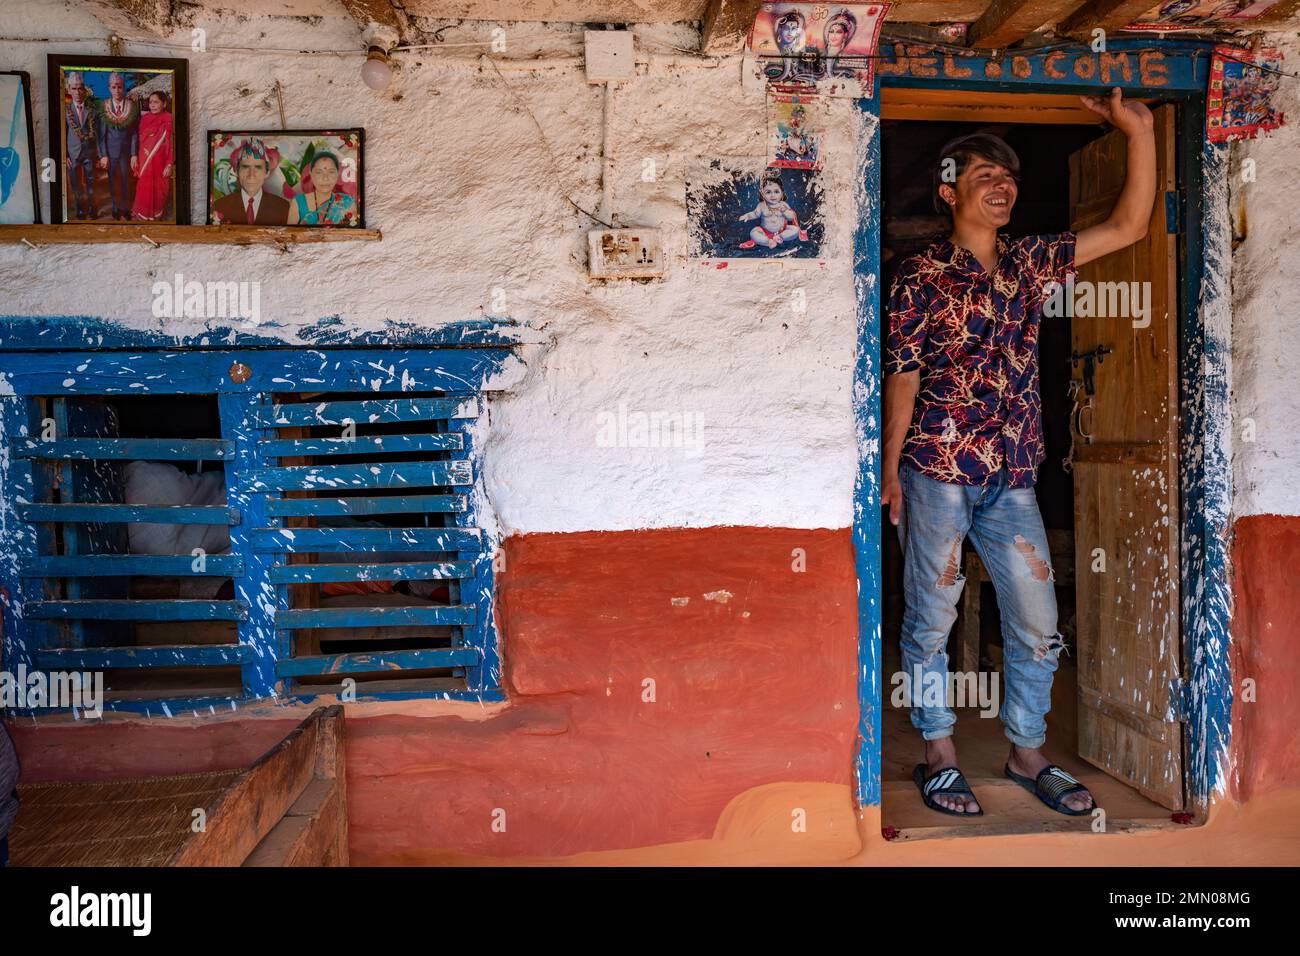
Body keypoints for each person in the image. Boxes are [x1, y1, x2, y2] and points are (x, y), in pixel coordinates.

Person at [883, 87, 1156, 817]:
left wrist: (1140, 130)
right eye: (983, 178)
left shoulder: (1033, 262)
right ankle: (939, 752)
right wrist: (890, 469)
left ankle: (1026, 751)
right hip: (937, 468)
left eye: (1008, 180)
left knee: (1037, 622)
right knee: (931, 616)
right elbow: (903, 372)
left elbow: (1131, 225)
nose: (1002, 188)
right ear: (949, 191)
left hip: (1013, 476)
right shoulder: (920, 274)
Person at [211, 136, 290, 225]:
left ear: (267, 172)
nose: (251, 175)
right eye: (245, 167)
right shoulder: (219, 206)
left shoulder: (283, 208)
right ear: (236, 171)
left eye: (258, 167)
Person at [96, 72, 138, 221]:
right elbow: (101, 135)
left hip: (126, 153)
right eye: (114, 87)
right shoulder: (104, 107)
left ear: (124, 88)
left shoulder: (131, 107)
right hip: (111, 152)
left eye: (120, 87)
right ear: (109, 88)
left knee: (126, 181)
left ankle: (126, 208)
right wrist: (103, 155)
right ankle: (115, 206)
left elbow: (134, 133)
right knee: (113, 181)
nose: (117, 90)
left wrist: (134, 154)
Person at [130, 90, 173, 221]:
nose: (152, 105)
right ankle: (143, 214)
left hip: (160, 161)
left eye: (156, 102)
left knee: (159, 189)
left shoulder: (168, 119)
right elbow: (140, 140)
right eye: (150, 102)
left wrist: (169, 164)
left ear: (164, 104)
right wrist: (135, 156)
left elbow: (171, 144)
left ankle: (156, 214)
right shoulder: (145, 119)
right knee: (144, 187)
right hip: (145, 160)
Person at [738, 172, 807, 249]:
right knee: (753, 233)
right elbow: (755, 214)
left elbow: (791, 217)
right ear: (763, 194)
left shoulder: (783, 205)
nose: (773, 195)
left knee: (795, 230)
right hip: (765, 232)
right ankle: (768, 242)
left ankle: (779, 237)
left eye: (776, 192)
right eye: (768, 192)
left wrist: (785, 212)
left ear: (782, 193)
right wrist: (748, 216)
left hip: (781, 231)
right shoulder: (761, 205)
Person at [287, 151, 358, 225]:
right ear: (311, 175)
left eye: (331, 172)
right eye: (319, 172)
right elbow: (289, 234)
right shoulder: (298, 202)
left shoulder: (347, 202)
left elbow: (352, 233)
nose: (325, 178)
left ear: (337, 174)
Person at [62, 71, 97, 219]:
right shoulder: (65, 111)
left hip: (89, 153)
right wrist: (65, 154)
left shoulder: (92, 111)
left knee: (91, 182)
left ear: (84, 90)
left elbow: (98, 135)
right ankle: (79, 208)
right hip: (73, 153)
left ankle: (91, 208)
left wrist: (99, 154)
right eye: (74, 88)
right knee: (76, 184)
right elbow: (62, 133)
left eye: (80, 88)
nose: (77, 92)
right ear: (69, 90)